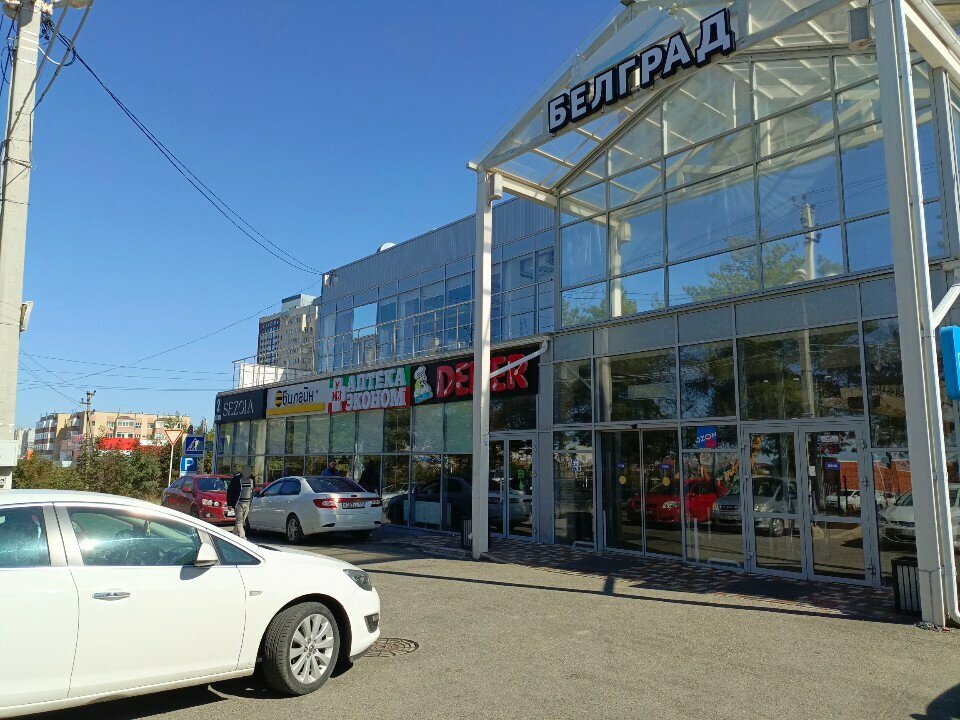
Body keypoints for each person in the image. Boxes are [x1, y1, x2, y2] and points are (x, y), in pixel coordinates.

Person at [230, 466, 254, 538]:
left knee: (241, 521)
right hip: (239, 504)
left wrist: (250, 502)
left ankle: (233, 536)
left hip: (247, 504)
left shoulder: (251, 481)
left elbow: (251, 492)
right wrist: (230, 503)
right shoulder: (237, 480)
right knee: (240, 521)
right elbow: (231, 491)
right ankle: (243, 537)